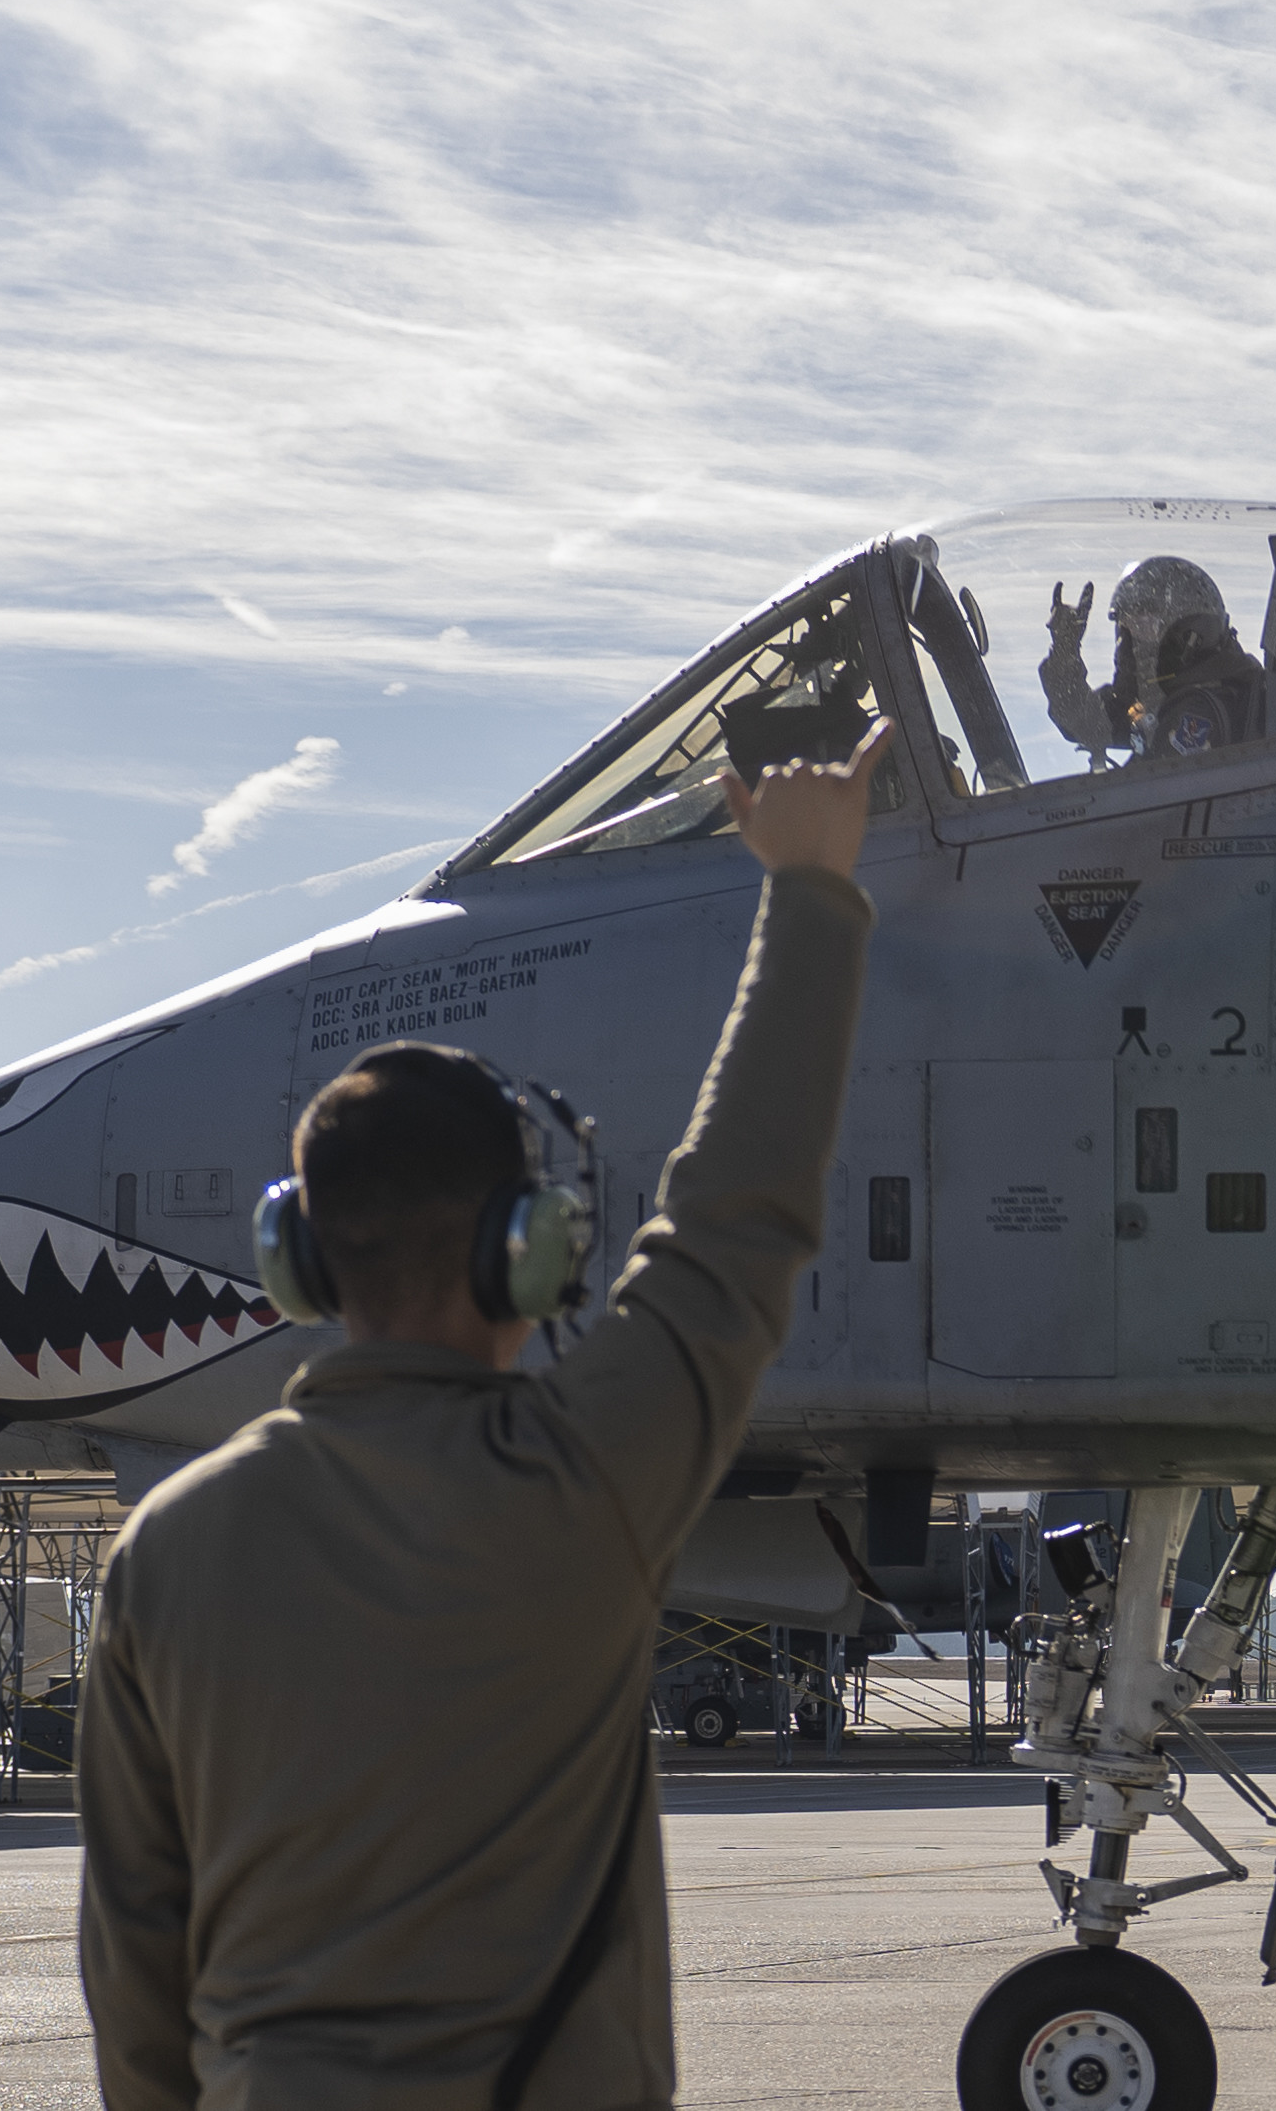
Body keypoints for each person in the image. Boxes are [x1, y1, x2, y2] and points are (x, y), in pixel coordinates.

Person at [75, 725, 889, 2111]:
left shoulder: (165, 1549)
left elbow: (134, 1958)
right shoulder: (583, 1480)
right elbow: (737, 1215)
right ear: (531, 1252)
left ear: (301, 1261)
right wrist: (810, 889)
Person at [1038, 554, 1241, 764]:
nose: (1132, 639)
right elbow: (1083, 723)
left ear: (1187, 633)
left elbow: (1160, 781)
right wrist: (1064, 654)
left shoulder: (1199, 711)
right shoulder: (1159, 698)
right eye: (1127, 626)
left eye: (1145, 624)